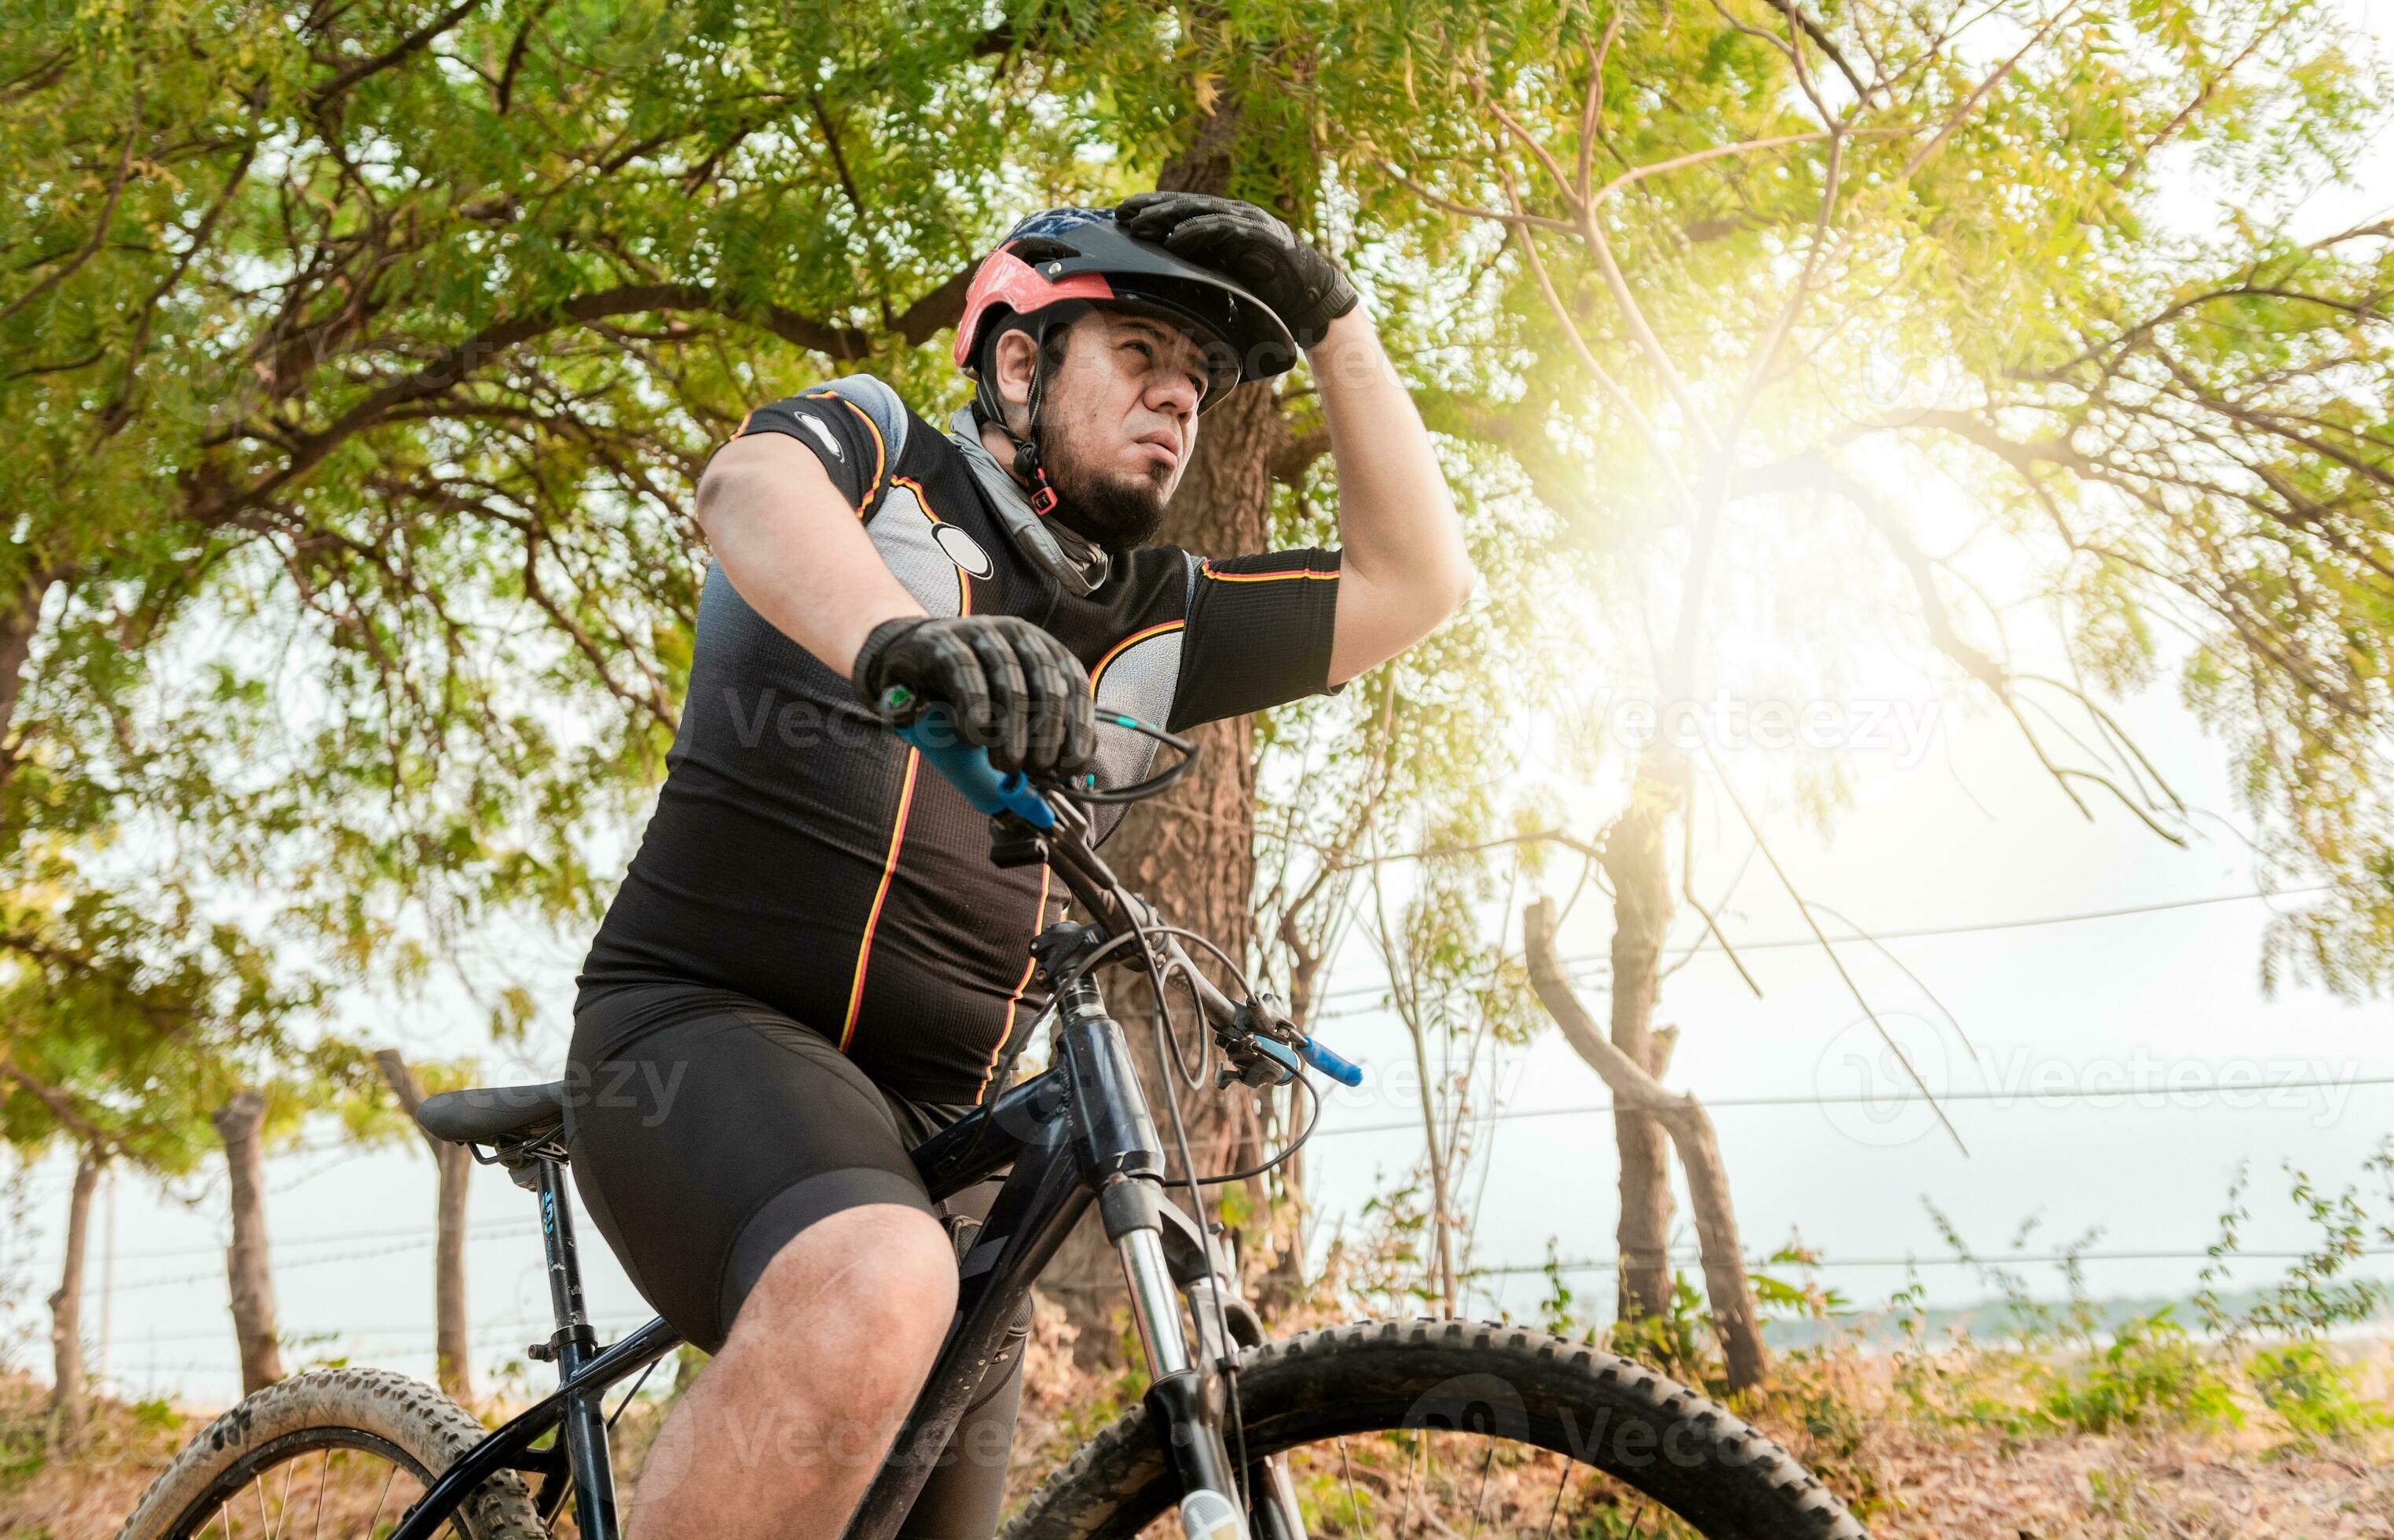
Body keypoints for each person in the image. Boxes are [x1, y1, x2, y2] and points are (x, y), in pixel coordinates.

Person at [563, 192, 1473, 1539]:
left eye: (1198, 382)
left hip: (952, 1129)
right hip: (698, 1030)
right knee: (878, 1280)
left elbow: (1417, 585)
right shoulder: (884, 451)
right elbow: (744, 489)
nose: (1178, 399)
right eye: (1140, 354)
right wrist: (901, 640)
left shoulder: (1155, 620)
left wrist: (1337, 323)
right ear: (1016, 361)